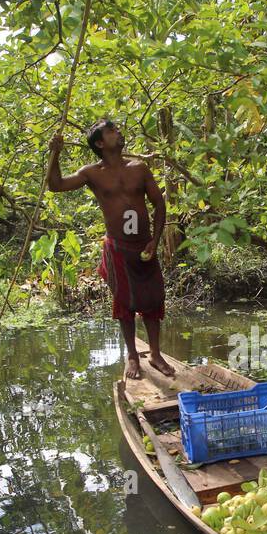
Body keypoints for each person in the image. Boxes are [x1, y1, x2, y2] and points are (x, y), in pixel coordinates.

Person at [46, 118, 175, 379]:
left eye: (116, 129)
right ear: (100, 143)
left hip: (144, 244)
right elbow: (56, 185)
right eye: (112, 131)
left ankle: (155, 354)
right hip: (118, 247)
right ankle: (131, 355)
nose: (118, 133)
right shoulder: (91, 173)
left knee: (153, 299)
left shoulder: (139, 168)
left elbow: (159, 205)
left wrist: (156, 239)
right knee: (124, 303)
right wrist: (55, 153)